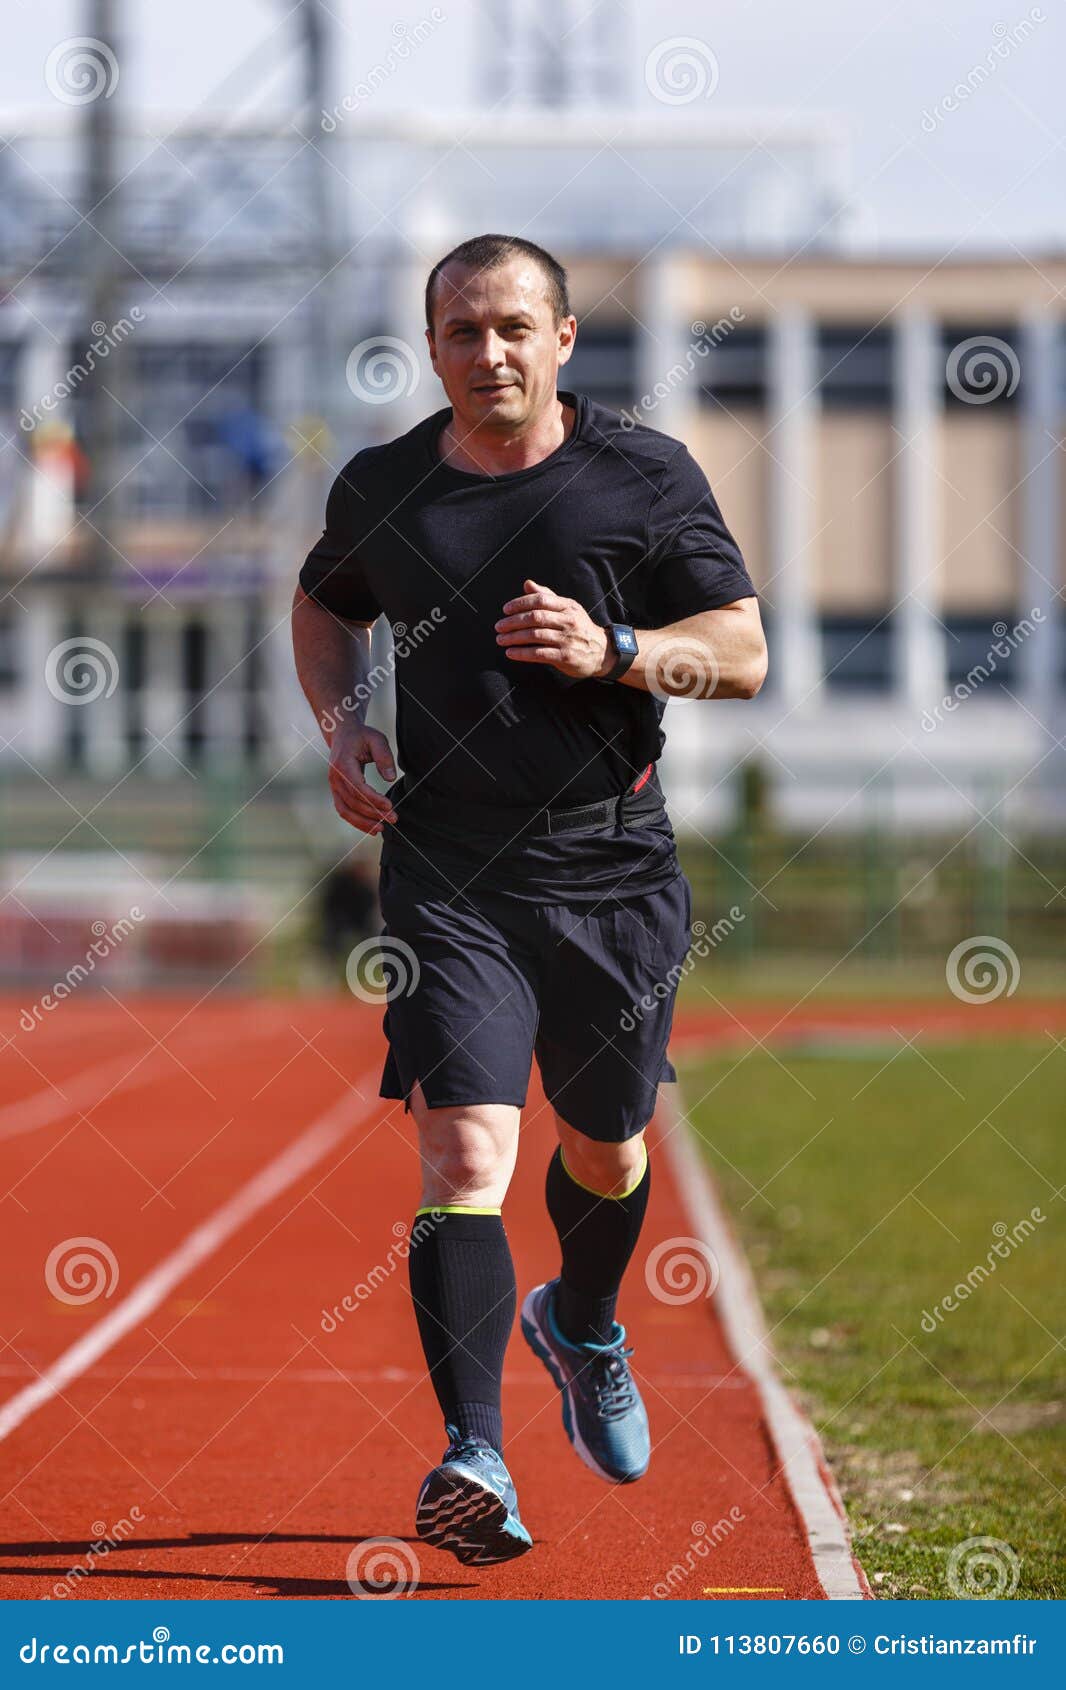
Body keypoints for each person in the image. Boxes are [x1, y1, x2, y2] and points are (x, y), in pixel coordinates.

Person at [291, 233, 766, 1567]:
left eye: (511, 327)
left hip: (610, 865)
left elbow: (740, 654)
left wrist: (616, 649)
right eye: (459, 332)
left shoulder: (640, 475)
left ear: (561, 340)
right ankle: (474, 1453)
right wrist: (342, 722)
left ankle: (586, 1320)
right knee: (462, 1157)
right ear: (431, 347)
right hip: (447, 868)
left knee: (606, 1149)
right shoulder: (386, 487)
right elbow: (324, 603)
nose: (485, 354)